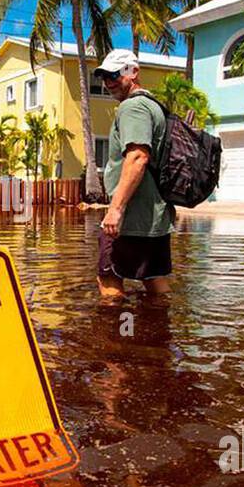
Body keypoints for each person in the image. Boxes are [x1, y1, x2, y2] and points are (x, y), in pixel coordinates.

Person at [92, 49, 174, 302]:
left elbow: (138, 157)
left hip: (132, 217)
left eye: (114, 75)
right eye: (104, 78)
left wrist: (116, 209)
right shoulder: (153, 106)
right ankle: (159, 336)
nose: (108, 83)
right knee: (153, 279)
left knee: (109, 278)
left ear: (133, 72)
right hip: (153, 217)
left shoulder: (133, 107)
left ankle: (116, 339)